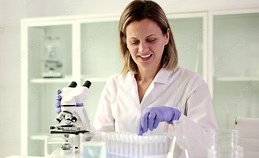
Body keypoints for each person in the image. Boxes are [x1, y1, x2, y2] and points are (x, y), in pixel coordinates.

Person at [56, 0, 218, 157]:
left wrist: (176, 118)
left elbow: (209, 147)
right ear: (125, 41)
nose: (142, 49)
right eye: (134, 41)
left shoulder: (191, 84)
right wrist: (78, 118)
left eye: (151, 39)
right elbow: (100, 142)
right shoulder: (114, 85)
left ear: (166, 36)